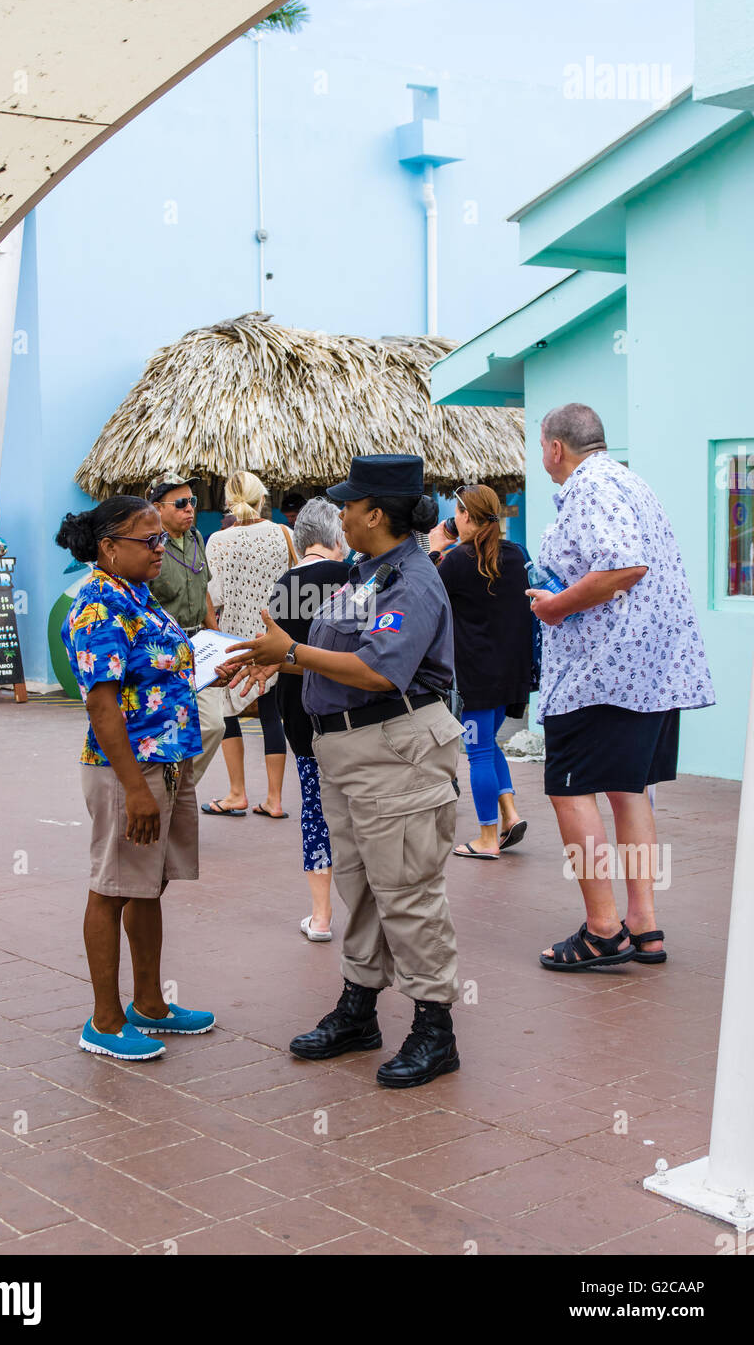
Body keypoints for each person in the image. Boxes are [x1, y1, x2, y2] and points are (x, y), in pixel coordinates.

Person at [220, 455, 464, 1089]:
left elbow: (383, 671)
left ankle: (435, 1029)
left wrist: (293, 652)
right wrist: (283, 662)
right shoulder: (368, 572)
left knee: (408, 892)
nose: (340, 514)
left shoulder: (411, 579)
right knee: (359, 886)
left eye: (350, 505)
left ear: (376, 514)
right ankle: (360, 1008)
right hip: (352, 752)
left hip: (395, 750)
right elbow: (345, 656)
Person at [529, 404, 714, 971]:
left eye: (542, 448)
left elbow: (622, 567)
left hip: (601, 673)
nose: (543, 459)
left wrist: (555, 606)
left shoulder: (590, 487)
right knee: (628, 790)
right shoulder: (632, 481)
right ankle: (643, 923)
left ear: (557, 448)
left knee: (567, 789)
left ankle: (604, 930)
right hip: (652, 670)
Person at [56, 495, 215, 1062]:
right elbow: (102, 707)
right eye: (149, 541)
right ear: (108, 547)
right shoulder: (99, 605)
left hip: (166, 760)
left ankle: (150, 1003)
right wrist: (134, 789)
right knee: (112, 886)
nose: (161, 549)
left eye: (161, 540)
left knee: (148, 885)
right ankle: (103, 1020)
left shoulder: (138, 596)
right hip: (129, 769)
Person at [432, 484, 533, 859]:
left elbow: (428, 599)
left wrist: (436, 551)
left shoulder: (457, 561)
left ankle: (488, 837)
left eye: (457, 513)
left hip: (474, 675)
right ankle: (509, 815)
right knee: (489, 744)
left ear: (466, 517)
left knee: (476, 753)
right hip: (510, 672)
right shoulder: (516, 555)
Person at [268, 497, 351, 940]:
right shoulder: (353, 579)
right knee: (358, 814)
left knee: (315, 812)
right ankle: (365, 911)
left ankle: (320, 918)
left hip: (300, 715)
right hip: (351, 714)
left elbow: (273, 649)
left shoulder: (284, 584)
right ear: (337, 538)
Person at [202, 471, 293, 819]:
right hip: (273, 637)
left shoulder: (218, 541)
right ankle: (274, 799)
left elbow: (214, 596)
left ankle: (237, 793)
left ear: (228, 501)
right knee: (272, 714)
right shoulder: (284, 533)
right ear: (262, 498)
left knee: (228, 714)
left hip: (234, 641)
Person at [146, 472, 225, 785]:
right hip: (165, 650)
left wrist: (216, 637)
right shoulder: (151, 546)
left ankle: (180, 786)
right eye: (180, 503)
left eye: (191, 501)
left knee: (213, 725)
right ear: (157, 508)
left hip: (200, 643)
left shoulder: (196, 538)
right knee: (171, 728)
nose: (190, 508)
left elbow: (203, 590)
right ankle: (169, 792)